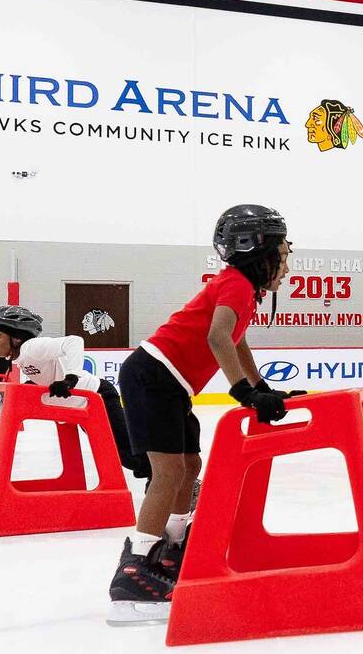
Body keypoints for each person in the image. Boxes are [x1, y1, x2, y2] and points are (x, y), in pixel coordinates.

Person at [108, 204, 295, 625]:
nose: (285, 267)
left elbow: (235, 340)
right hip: (152, 376)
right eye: (282, 256)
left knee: (190, 466)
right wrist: (243, 393)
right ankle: (135, 568)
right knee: (169, 473)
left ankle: (171, 548)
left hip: (170, 384)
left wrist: (260, 388)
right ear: (258, 252)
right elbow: (216, 337)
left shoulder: (244, 289)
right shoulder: (236, 285)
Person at [0, 305, 146, 479]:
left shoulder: (31, 348)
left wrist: (70, 378)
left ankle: (164, 474)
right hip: (82, 407)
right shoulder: (22, 356)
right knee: (123, 455)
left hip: (99, 397)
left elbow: (74, 341)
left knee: (130, 455)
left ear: (16, 337)